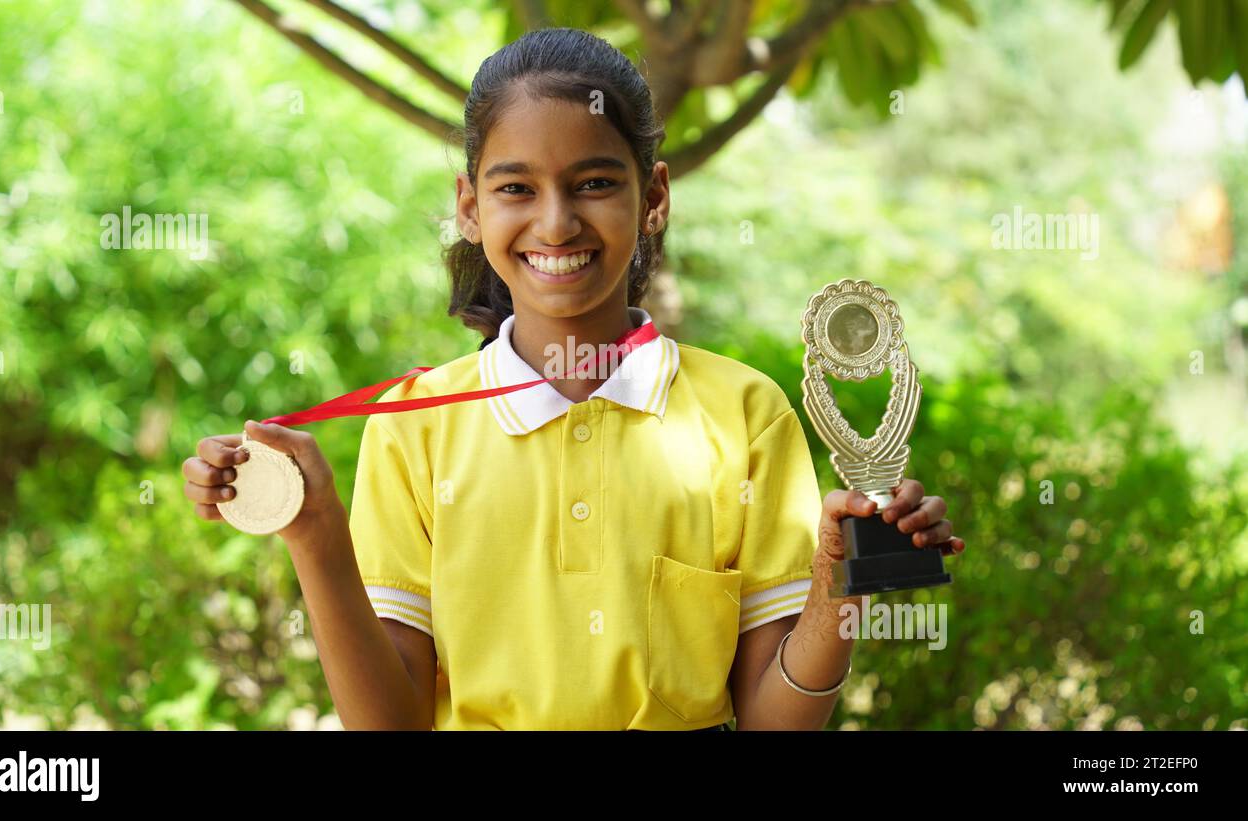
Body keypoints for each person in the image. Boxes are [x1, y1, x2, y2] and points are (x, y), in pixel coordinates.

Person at [182, 27, 965, 730]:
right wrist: (314, 532)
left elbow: (774, 722)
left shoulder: (744, 414)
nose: (555, 223)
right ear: (469, 205)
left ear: (653, 196)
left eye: (593, 182)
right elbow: (392, 724)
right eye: (516, 188)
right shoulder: (413, 423)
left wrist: (838, 586)